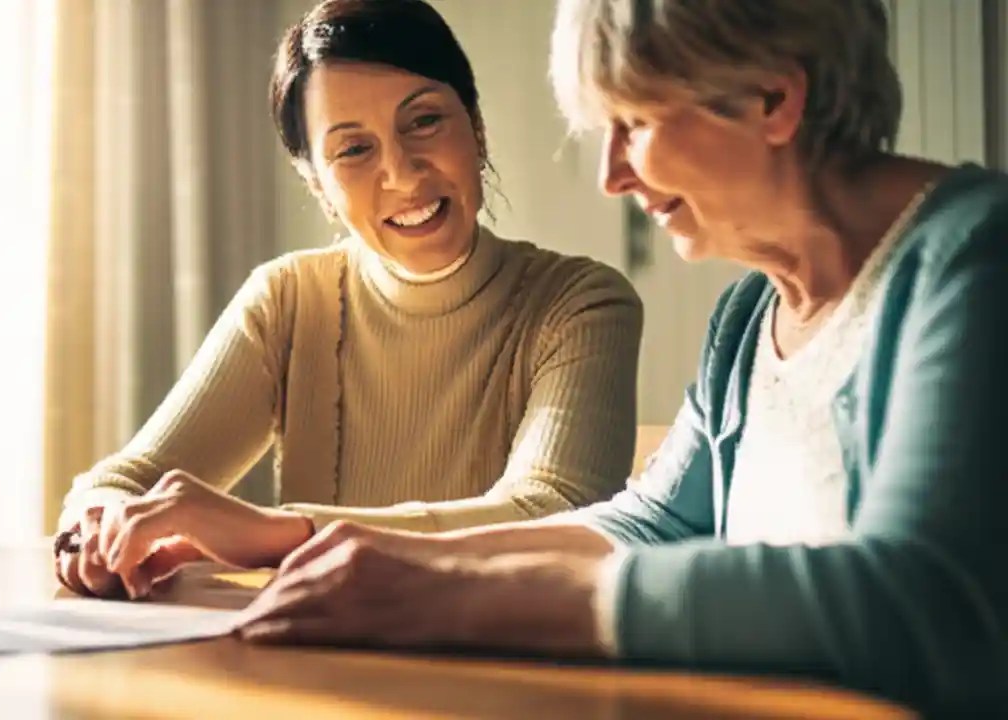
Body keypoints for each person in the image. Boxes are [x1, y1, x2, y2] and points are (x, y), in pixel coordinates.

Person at [233, 0, 1008, 714]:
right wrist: (379, 559)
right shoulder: (748, 314)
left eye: (632, 122)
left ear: (773, 97)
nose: (612, 177)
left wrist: (456, 599)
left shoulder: (977, 259)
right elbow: (650, 522)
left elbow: (911, 597)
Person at [57, 0, 642, 602]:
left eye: (424, 123)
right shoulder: (286, 301)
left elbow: (554, 516)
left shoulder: (582, 304)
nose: (403, 173)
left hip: (499, 672)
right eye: (353, 150)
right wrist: (99, 531)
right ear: (318, 185)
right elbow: (123, 481)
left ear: (477, 128)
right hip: (317, 666)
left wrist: (272, 531)